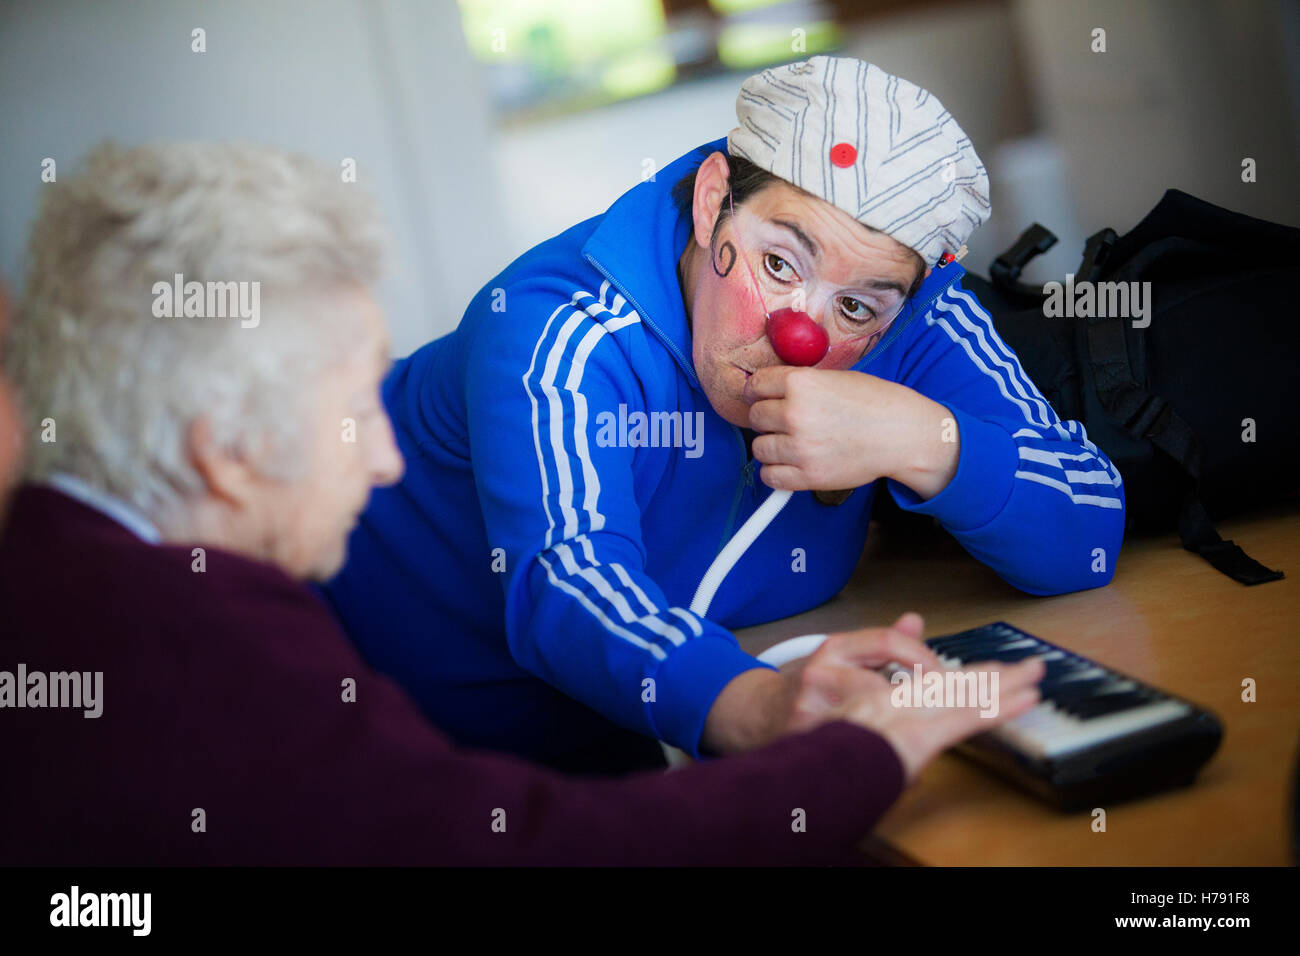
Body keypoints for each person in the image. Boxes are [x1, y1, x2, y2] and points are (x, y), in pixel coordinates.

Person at [0, 142, 1043, 866]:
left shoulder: (59, 559)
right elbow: (549, 851)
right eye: (359, 402)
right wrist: (871, 747)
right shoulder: (217, 656)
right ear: (221, 450)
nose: (386, 464)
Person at [321, 56, 1125, 773]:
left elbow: (1088, 527)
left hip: (625, 724)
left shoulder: (916, 318)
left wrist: (917, 435)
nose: (800, 334)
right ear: (712, 203)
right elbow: (571, 584)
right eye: (780, 262)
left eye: (853, 307)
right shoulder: (554, 327)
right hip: (376, 704)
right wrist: (759, 705)